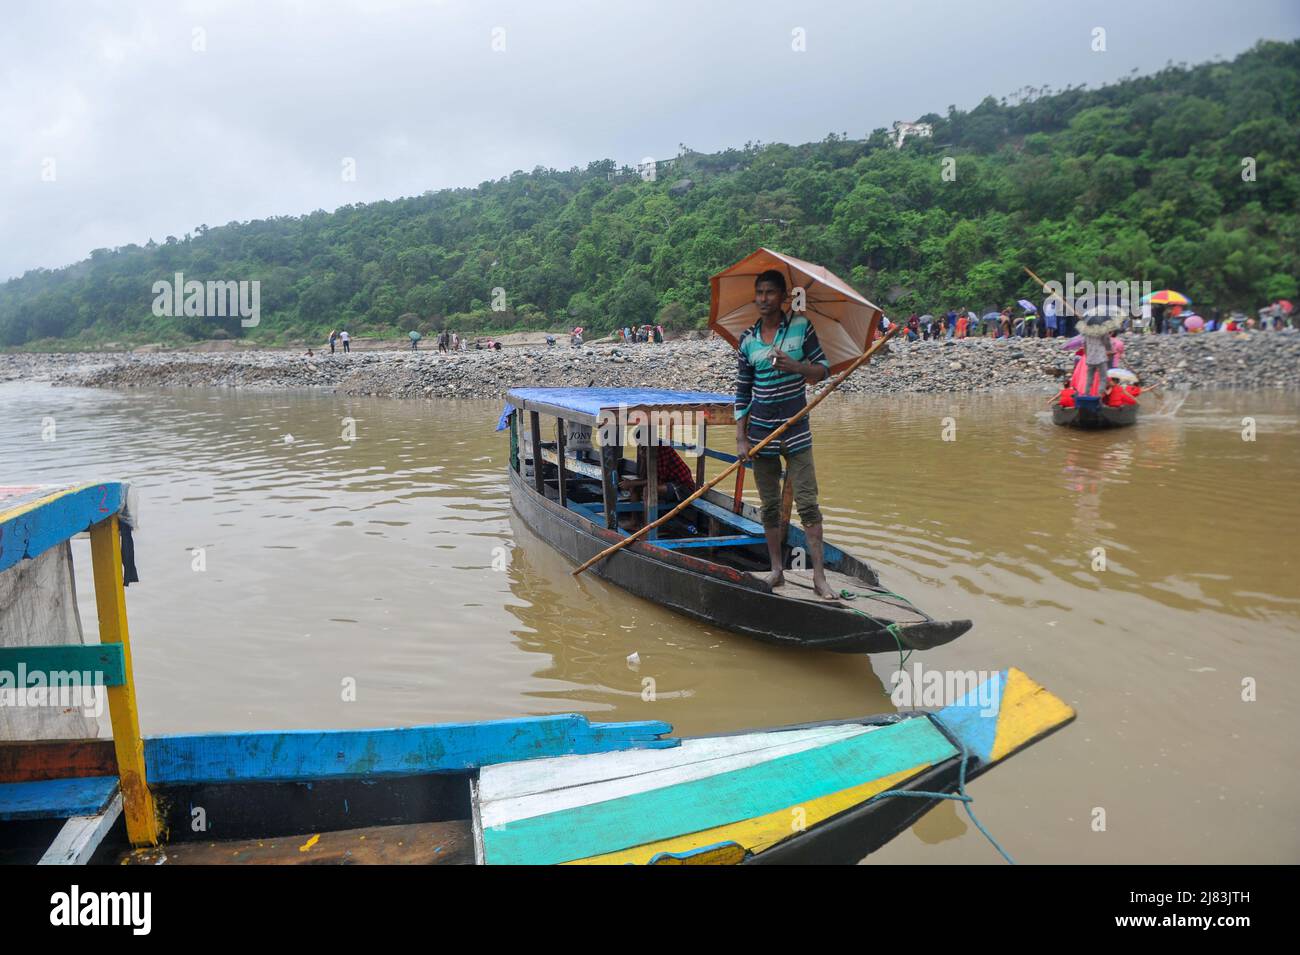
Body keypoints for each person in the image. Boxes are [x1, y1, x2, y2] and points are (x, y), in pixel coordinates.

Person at [735, 269, 836, 599]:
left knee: (808, 504)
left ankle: (820, 577)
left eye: (770, 293)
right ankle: (776, 570)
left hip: (796, 431)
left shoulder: (801, 327)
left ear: (783, 297)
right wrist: (741, 437)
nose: (764, 299)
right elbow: (743, 391)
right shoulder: (747, 340)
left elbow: (822, 370)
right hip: (761, 434)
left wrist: (796, 367)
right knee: (769, 506)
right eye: (759, 293)